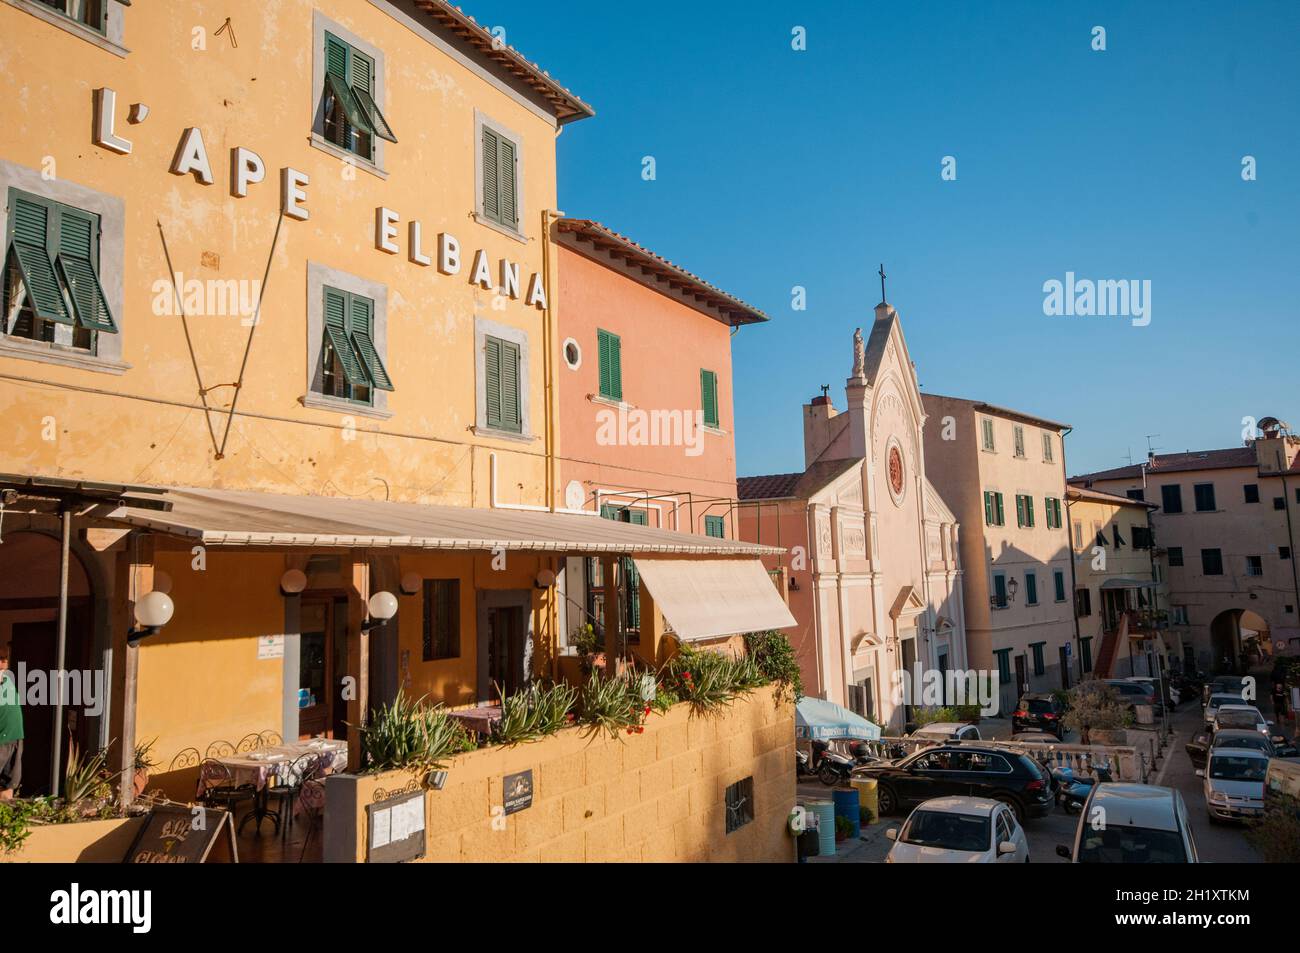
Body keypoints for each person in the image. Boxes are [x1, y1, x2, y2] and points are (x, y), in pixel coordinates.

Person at [0, 645, 22, 800]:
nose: (5, 663)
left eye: (5, 659)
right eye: (1, 660)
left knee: (9, 783)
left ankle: (5, 819)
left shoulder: (7, 679)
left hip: (15, 737)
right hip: (1, 739)